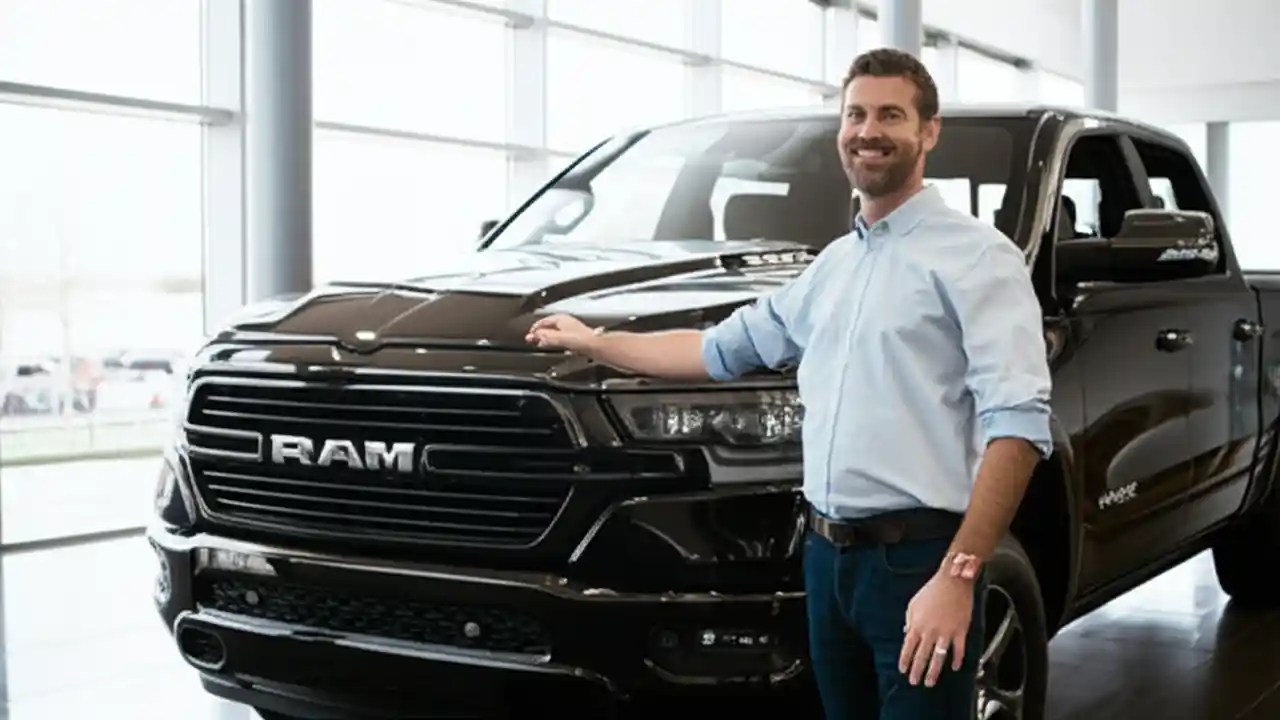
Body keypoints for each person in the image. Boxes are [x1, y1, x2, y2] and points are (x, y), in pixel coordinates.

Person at [525, 48, 1052, 719]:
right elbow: (718, 350)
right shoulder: (833, 267)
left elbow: (1019, 428)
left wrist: (959, 576)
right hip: (826, 560)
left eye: (890, 115)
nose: (868, 131)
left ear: (929, 131)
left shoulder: (978, 257)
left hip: (918, 559)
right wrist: (597, 342)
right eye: (855, 114)